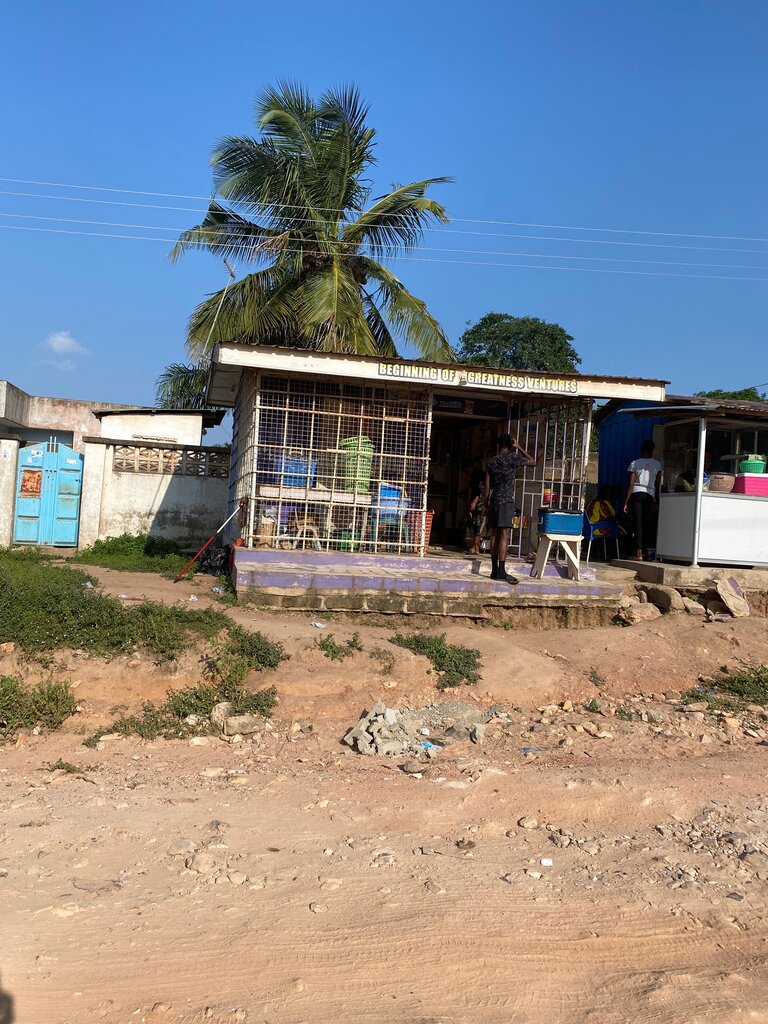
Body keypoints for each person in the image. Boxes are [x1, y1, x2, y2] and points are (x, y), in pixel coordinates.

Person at [485, 433, 536, 582]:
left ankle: (494, 570)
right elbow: (533, 462)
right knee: (505, 535)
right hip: (506, 500)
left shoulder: (491, 461)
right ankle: (501, 571)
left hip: (494, 500)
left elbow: (487, 484)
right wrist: (519, 447)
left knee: (494, 534)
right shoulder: (513, 457)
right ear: (510, 445)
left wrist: (486, 502)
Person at [623, 440, 663, 560]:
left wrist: (626, 501)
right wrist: (657, 500)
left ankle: (638, 553)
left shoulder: (635, 463)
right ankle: (643, 551)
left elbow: (631, 484)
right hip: (649, 495)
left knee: (637, 523)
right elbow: (658, 484)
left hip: (636, 493)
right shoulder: (657, 464)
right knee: (644, 522)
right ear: (652, 450)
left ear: (641, 449)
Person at [465, 456, 486, 555]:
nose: (467, 473)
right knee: (474, 524)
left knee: (478, 525)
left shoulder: (479, 476)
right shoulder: (474, 476)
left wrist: (474, 502)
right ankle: (475, 546)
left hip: (480, 503)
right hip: (477, 503)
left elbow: (480, 491)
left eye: (467, 470)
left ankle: (476, 547)